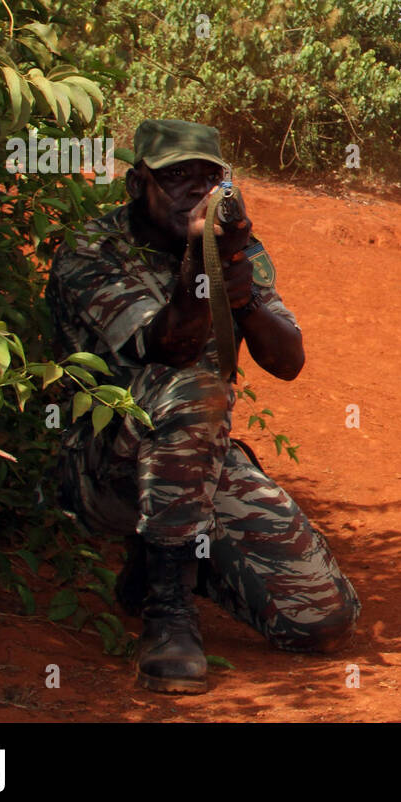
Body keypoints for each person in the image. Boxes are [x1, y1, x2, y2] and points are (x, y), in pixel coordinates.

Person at [48, 119, 361, 694]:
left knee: (321, 621)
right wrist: (201, 267)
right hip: (102, 466)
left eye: (207, 178)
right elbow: (168, 346)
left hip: (197, 460)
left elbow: (288, 360)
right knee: (194, 387)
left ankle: (156, 563)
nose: (195, 192)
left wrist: (241, 295)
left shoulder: (237, 249)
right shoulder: (94, 251)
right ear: (136, 183)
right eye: (175, 178)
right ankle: (168, 614)